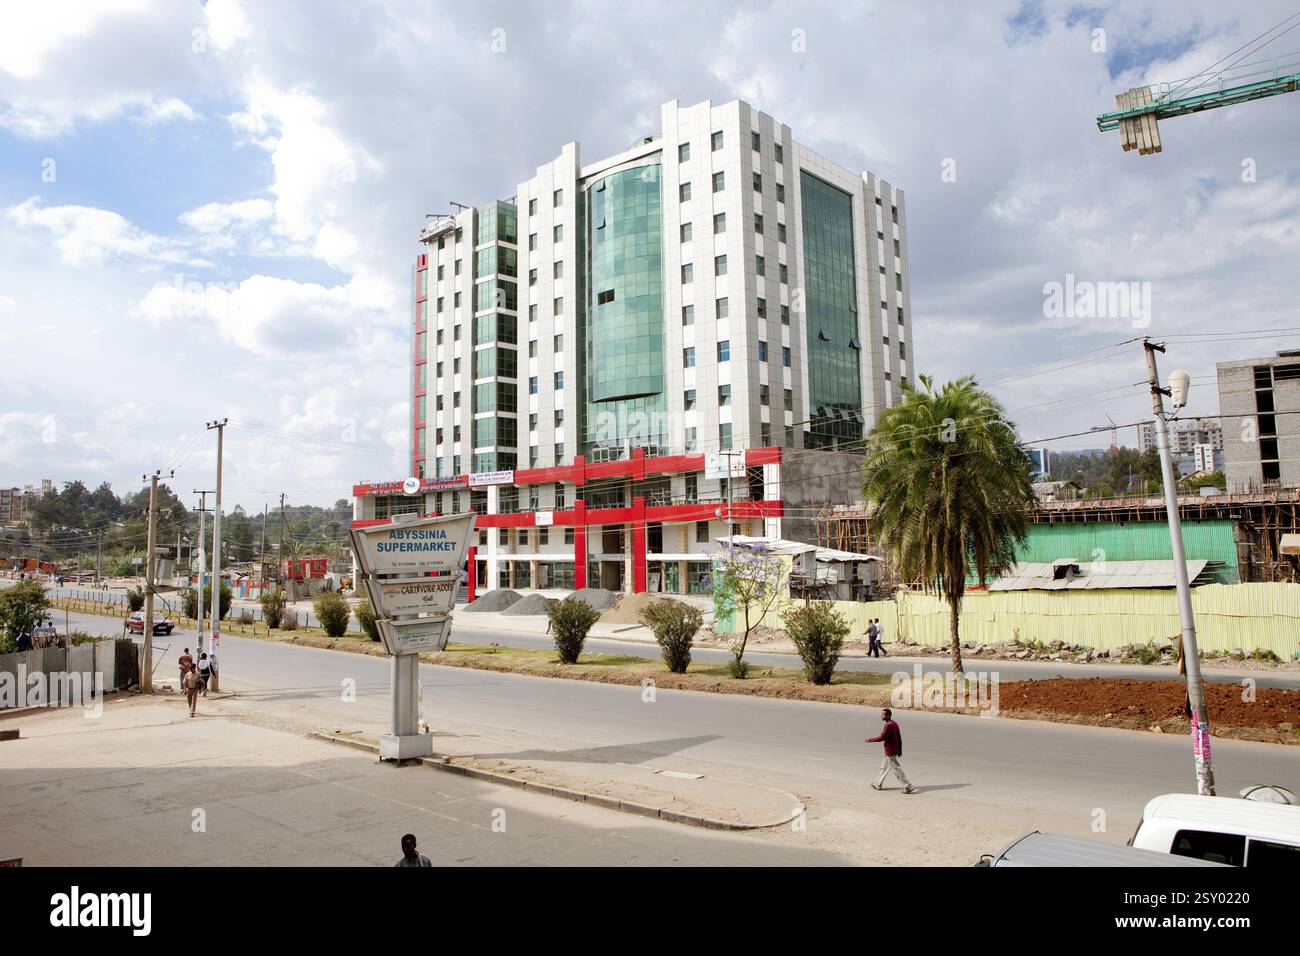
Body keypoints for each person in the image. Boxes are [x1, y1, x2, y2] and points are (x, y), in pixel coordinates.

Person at [867, 708, 914, 793]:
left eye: (883, 714)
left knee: (896, 769)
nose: (881, 716)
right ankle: (878, 783)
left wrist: (870, 740)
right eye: (881, 714)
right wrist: (899, 751)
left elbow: (882, 737)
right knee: (883, 767)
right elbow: (899, 738)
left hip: (890, 752)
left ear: (888, 715)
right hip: (892, 750)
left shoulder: (888, 725)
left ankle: (908, 786)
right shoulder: (894, 724)